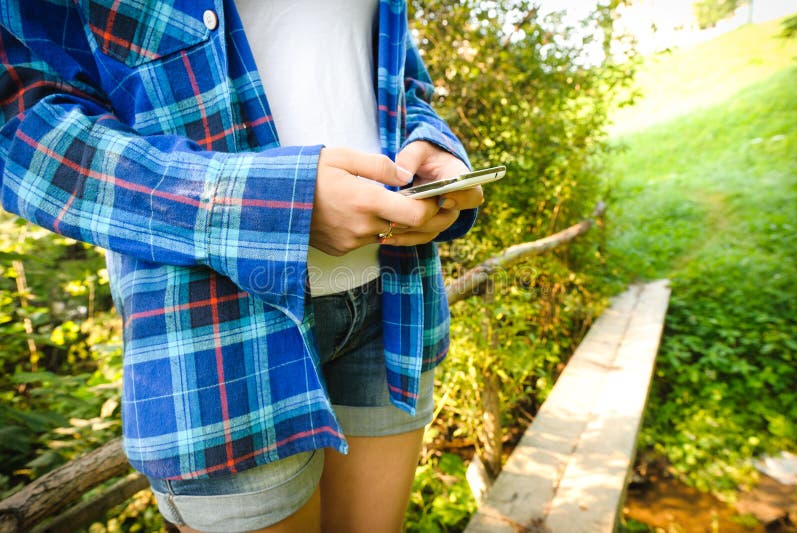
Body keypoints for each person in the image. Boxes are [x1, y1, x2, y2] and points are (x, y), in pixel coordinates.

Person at [0, 1, 482, 531]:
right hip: (214, 326)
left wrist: (432, 144)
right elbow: (19, 122)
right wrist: (269, 202)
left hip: (392, 295)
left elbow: (402, 83)